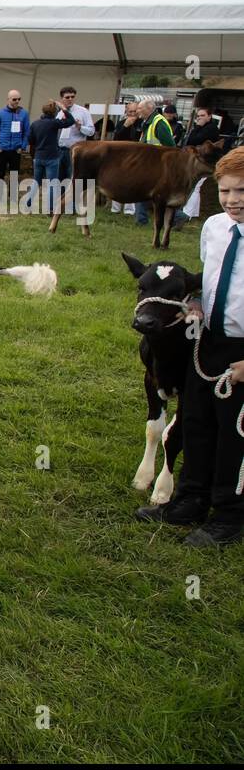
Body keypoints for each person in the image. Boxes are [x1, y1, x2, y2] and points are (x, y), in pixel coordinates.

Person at [136, 146, 244, 548]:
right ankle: (189, 500)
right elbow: (212, 282)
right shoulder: (215, 227)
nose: (232, 200)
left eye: (241, 191)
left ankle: (229, 515)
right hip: (208, 340)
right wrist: (196, 305)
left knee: (236, 432)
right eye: (227, 191)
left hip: (243, 348)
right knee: (196, 422)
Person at [26, 99, 74, 214]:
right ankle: (50, 208)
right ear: (54, 112)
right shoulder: (54, 123)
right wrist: (64, 108)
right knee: (52, 183)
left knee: (36, 181)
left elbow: (30, 140)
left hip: (38, 156)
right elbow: (71, 121)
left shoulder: (35, 124)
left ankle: (28, 203)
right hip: (52, 157)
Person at [54, 85, 94, 186]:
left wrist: (80, 127)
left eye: (72, 97)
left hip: (75, 151)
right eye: (67, 97)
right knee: (58, 179)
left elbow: (91, 131)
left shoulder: (83, 111)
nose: (70, 99)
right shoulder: (59, 112)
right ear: (62, 98)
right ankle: (59, 200)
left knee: (72, 179)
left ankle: (71, 201)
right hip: (59, 150)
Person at [0, 89, 30, 180]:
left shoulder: (24, 114)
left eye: (19, 99)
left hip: (16, 150)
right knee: (0, 173)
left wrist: (22, 147)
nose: (17, 101)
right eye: (14, 99)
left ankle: (13, 194)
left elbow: (27, 131)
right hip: (2, 149)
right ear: (8, 99)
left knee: (14, 175)